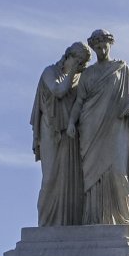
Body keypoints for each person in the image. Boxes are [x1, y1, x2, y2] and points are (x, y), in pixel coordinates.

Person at [67, 29, 129, 226]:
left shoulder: (122, 69)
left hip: (116, 126)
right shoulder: (88, 74)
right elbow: (79, 102)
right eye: (97, 47)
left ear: (110, 45)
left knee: (117, 170)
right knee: (91, 178)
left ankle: (122, 220)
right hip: (90, 128)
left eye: (103, 45)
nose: (101, 49)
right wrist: (71, 122)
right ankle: (93, 219)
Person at [31, 42, 90, 226]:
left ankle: (68, 223)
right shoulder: (49, 72)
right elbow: (58, 90)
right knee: (50, 178)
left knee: (71, 182)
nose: (79, 65)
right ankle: (45, 224)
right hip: (51, 129)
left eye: (82, 63)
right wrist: (72, 71)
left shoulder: (80, 79)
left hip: (70, 134)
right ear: (68, 56)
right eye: (77, 60)